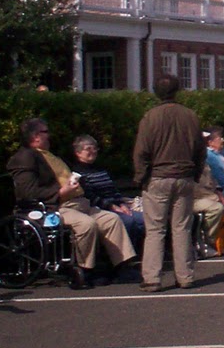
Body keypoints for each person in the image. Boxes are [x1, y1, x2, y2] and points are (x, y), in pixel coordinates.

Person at [9, 117, 136, 290]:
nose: (49, 135)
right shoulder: (25, 157)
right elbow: (27, 192)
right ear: (35, 136)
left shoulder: (52, 156)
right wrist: (61, 192)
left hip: (80, 203)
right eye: (46, 132)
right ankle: (85, 270)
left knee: (111, 220)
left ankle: (121, 266)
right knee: (86, 224)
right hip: (56, 207)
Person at [132, 74, 206, 290]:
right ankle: (185, 276)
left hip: (158, 176)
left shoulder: (150, 117)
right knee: (182, 228)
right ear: (177, 90)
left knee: (156, 229)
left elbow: (141, 151)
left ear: (156, 93)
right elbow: (200, 150)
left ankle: (152, 278)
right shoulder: (190, 116)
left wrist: (140, 177)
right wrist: (195, 173)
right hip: (184, 176)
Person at [71, 135, 145, 248]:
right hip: (100, 210)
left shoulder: (100, 169)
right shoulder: (78, 173)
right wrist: (112, 207)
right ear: (78, 152)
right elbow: (90, 197)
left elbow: (113, 190)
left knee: (143, 219)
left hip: (117, 206)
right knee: (128, 221)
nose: (93, 151)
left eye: (95, 148)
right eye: (88, 149)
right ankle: (125, 256)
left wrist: (122, 204)